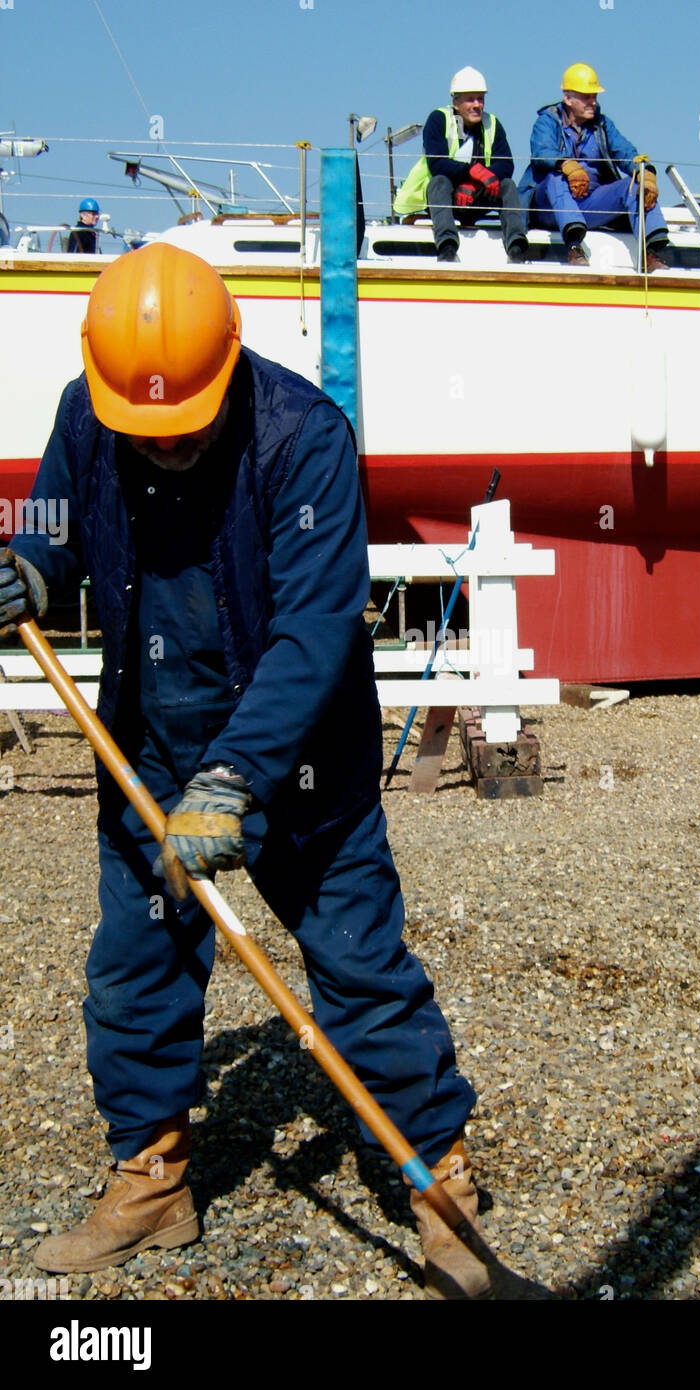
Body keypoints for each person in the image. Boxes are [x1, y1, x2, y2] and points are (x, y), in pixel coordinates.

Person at [0, 242, 490, 1300]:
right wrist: (32, 566)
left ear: (230, 365)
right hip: (151, 738)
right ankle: (154, 1173)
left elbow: (315, 628)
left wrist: (235, 775)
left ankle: (438, 1177)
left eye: (186, 431)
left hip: (299, 757)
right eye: (149, 433)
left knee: (357, 966)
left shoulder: (302, 435)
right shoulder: (89, 411)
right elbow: (54, 519)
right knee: (134, 967)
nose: (166, 450)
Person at [518, 62, 671, 269]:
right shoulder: (547, 121)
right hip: (549, 206)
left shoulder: (602, 124)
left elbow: (625, 152)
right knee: (556, 178)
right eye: (586, 96)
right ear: (567, 99)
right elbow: (542, 153)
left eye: (594, 96)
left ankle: (652, 251)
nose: (593, 102)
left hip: (588, 204)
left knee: (635, 186)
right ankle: (573, 247)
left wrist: (646, 172)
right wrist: (567, 165)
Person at [394, 66, 529, 264]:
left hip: (479, 195)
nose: (477, 105)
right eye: (470, 99)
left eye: (480, 99)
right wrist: (474, 171)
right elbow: (437, 163)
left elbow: (506, 164)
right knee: (439, 182)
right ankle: (447, 247)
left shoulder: (492, 123)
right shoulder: (439, 120)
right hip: (444, 198)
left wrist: (474, 183)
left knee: (508, 185)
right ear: (455, 102)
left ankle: (517, 247)